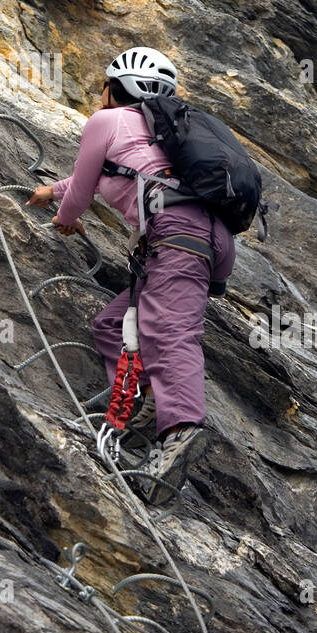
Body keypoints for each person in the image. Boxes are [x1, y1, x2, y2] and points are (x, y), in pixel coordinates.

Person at [27, 47, 236, 503]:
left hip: (177, 235)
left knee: (169, 331)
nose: (99, 92)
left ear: (117, 87)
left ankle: (180, 429)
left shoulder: (106, 121)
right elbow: (113, 173)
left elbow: (84, 189)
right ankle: (138, 400)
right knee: (111, 326)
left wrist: (65, 215)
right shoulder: (159, 132)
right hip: (208, 238)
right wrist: (53, 190)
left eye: (104, 84)